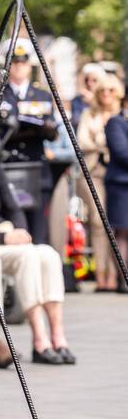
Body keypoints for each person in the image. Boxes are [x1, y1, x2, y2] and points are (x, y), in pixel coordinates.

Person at [0, 125, 74, 364]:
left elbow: (14, 207)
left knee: (48, 254)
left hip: (3, 237)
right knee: (27, 257)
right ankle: (39, 337)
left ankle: (58, 334)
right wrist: (4, 238)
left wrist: (20, 231)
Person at [0, 41, 58, 243]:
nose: (19, 66)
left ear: (29, 64)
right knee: (12, 232)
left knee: (39, 233)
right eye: (14, 62)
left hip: (36, 169)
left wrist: (46, 129)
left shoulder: (43, 96)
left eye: (23, 62)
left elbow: (53, 134)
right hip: (6, 170)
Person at [76, 74, 125, 291]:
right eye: (102, 91)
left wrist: (104, 140)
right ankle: (101, 274)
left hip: (114, 173)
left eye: (111, 90)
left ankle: (116, 274)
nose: (106, 94)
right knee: (98, 221)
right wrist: (106, 142)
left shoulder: (120, 116)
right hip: (93, 170)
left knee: (116, 224)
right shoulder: (90, 113)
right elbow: (83, 141)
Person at [106, 100, 128, 286]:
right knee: (122, 231)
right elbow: (122, 152)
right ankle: (123, 278)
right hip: (121, 185)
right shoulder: (116, 122)